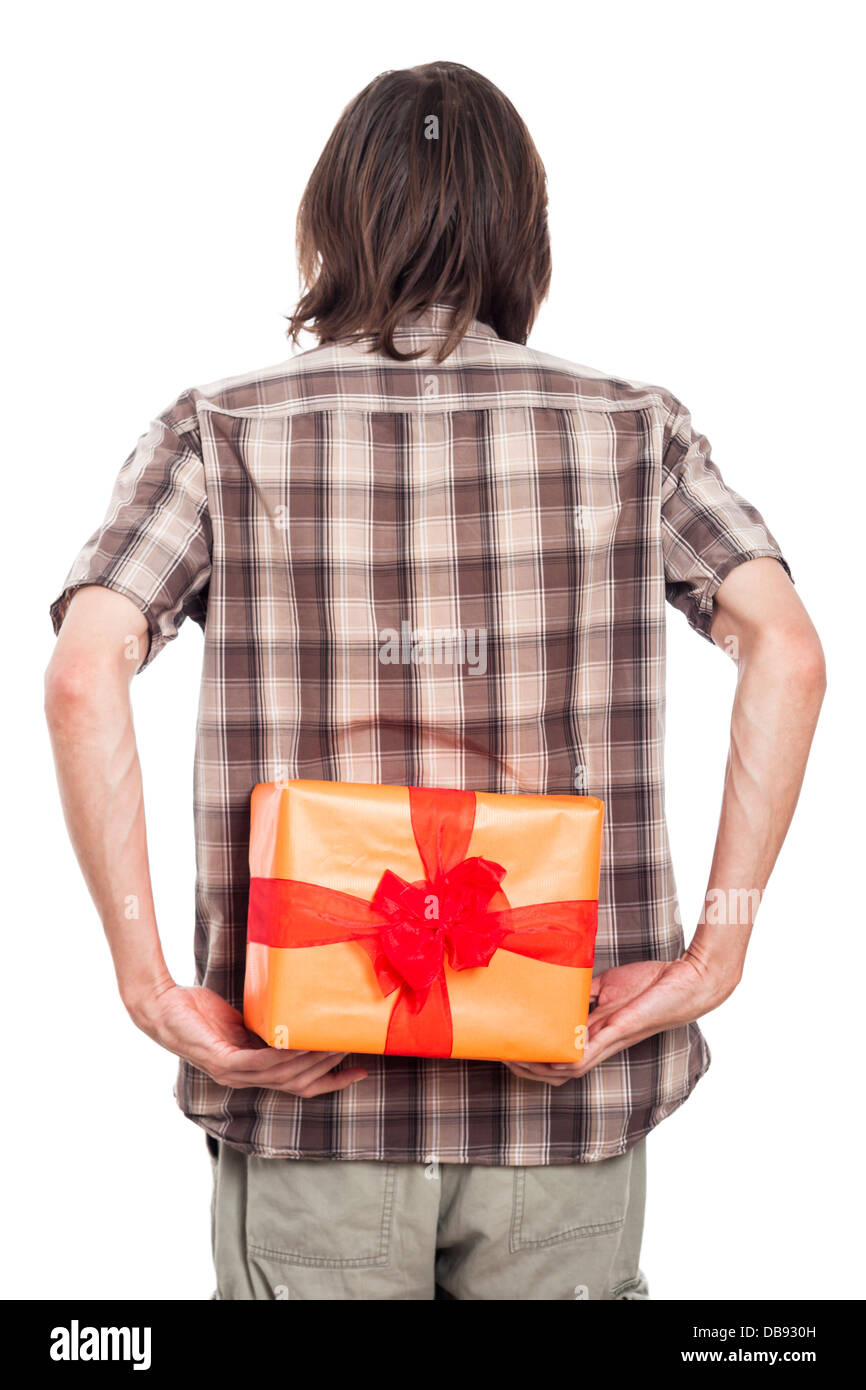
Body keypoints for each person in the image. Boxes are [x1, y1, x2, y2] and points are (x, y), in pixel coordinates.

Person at [44, 61, 825, 1302]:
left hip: (310, 1098)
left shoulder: (219, 425)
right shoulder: (634, 428)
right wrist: (713, 951)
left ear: (329, 219)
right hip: (559, 1094)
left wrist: (148, 982)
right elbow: (786, 649)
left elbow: (86, 676)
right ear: (525, 229)